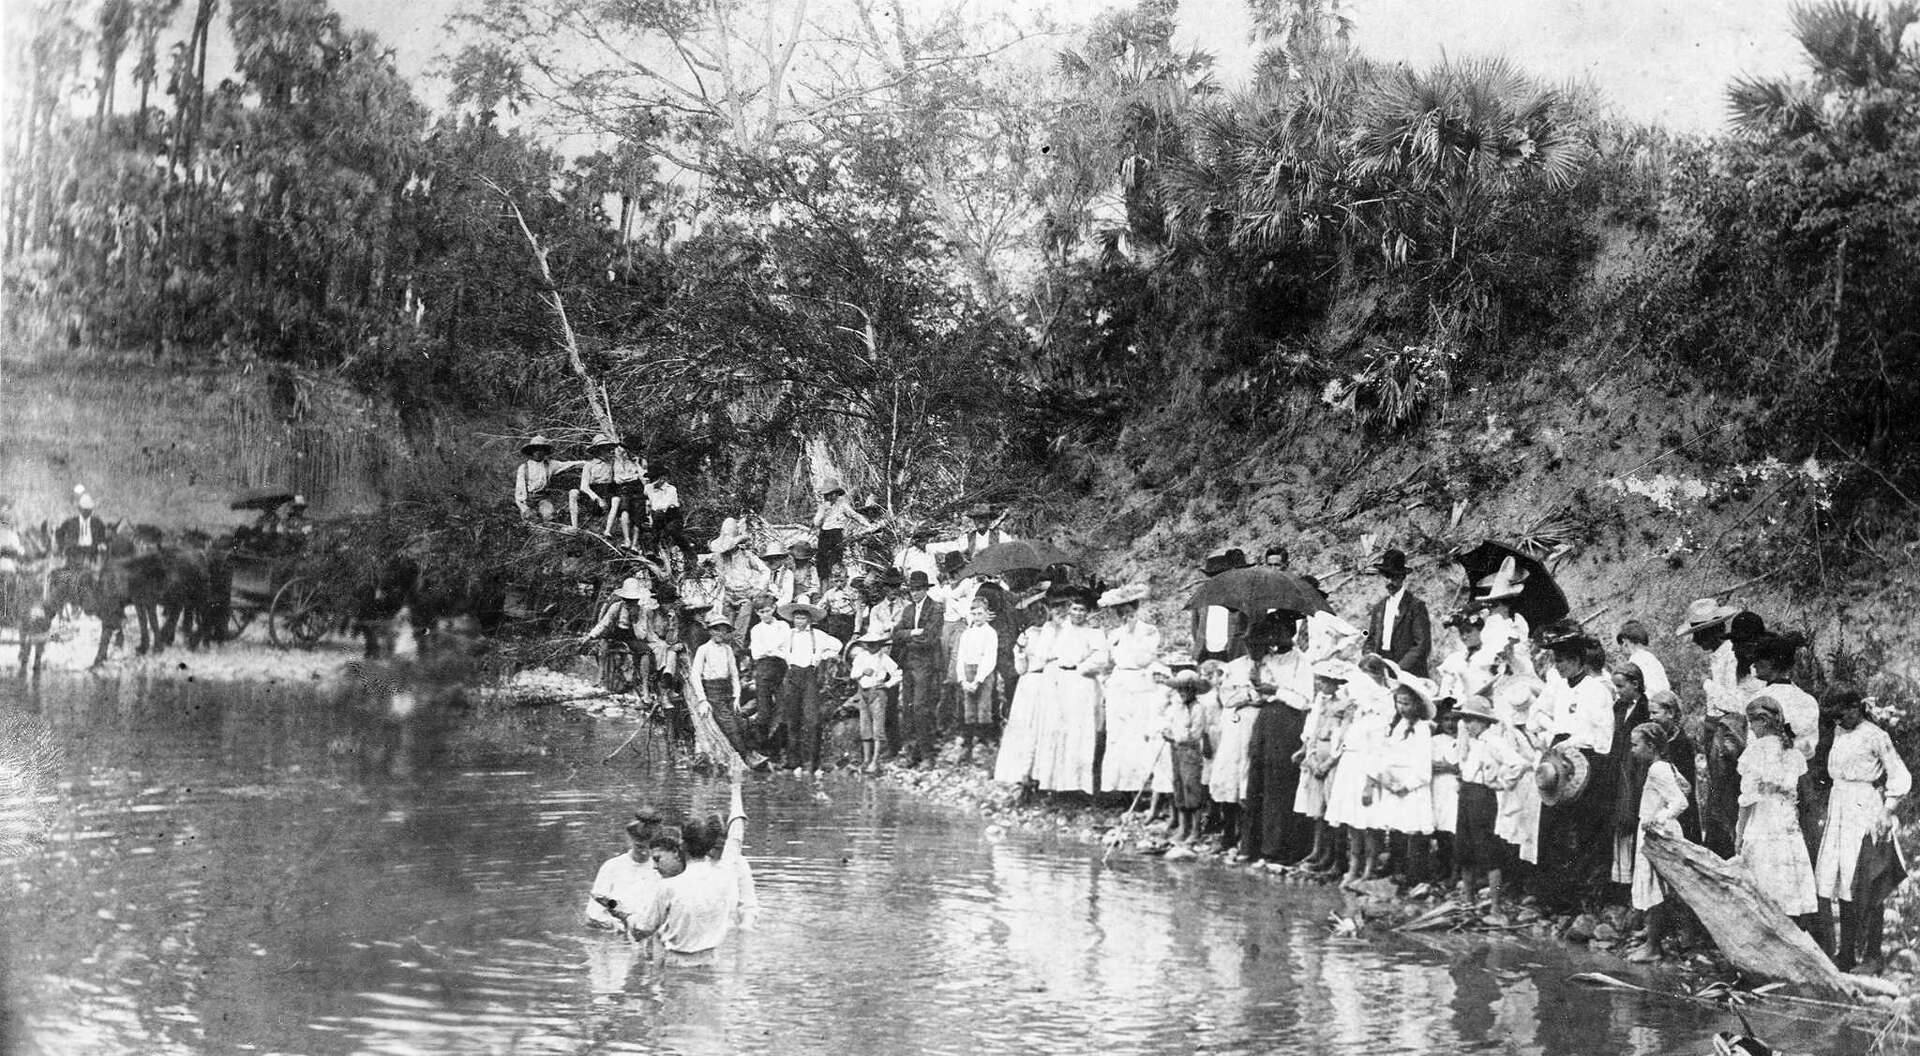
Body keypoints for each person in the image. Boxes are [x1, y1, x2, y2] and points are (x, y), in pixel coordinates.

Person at [1816, 689, 1911, 972]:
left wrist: (1887, 810)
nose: (1840, 720)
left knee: (1868, 880)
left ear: (1856, 707)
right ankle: (1846, 954)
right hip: (1839, 808)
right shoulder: (1838, 732)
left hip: (1864, 809)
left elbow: (1899, 775)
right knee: (1843, 880)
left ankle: (1872, 956)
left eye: (1844, 713)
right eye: (1835, 716)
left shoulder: (1876, 736)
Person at [1532, 632, 1618, 906]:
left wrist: (1572, 741)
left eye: (1563, 661)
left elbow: (1603, 736)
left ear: (1579, 661)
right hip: (1557, 758)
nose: (1558, 666)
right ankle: (1552, 896)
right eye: (1556, 660)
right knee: (1551, 827)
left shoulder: (1596, 690)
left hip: (1586, 761)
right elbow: (1536, 713)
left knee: (1581, 829)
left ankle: (1582, 898)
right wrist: (1553, 733)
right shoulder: (1557, 687)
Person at [1233, 609, 1315, 867]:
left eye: (1279, 632)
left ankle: (1276, 848)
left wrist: (1277, 690)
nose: (1274, 637)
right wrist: (1258, 684)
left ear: (1290, 632)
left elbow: (1304, 700)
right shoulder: (1267, 659)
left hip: (1288, 723)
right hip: (1266, 720)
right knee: (1257, 779)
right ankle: (1251, 846)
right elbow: (1260, 694)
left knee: (1279, 785)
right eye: (1272, 632)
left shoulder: (1302, 662)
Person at [1737, 696, 1818, 921]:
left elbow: (1747, 799)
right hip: (1787, 823)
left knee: (1764, 876)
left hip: (1763, 822)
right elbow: (1802, 793)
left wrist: (1739, 832)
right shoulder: (1793, 753)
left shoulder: (1755, 751)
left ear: (1763, 721)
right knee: (1786, 875)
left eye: (1752, 723)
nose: (1751, 729)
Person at [1624, 722, 1693, 963]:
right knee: (1655, 887)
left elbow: (1681, 802)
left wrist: (1658, 818)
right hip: (1656, 830)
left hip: (1656, 832)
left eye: (1636, 745)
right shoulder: (1665, 766)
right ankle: (1653, 937)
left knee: (1654, 889)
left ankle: (1653, 946)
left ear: (1651, 746)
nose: (1632, 750)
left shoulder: (1657, 769)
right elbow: (1686, 787)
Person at [1030, 590, 1105, 795]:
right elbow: (1044, 654)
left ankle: (1077, 785)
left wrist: (1082, 667)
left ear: (1087, 612)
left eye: (1082, 610)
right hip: (1059, 682)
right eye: (1075, 609)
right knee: (1057, 730)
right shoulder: (1059, 629)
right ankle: (1054, 784)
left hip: (1082, 683)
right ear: (1069, 610)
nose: (1078, 613)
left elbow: (1101, 658)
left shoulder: (1094, 633)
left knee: (1079, 733)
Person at [1453, 699, 1519, 922]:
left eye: (1472, 720)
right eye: (1465, 720)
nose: (1467, 725)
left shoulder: (1494, 742)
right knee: (1464, 847)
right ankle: (1468, 899)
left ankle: (1495, 908)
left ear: (1483, 722)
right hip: (1467, 792)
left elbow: (1517, 763)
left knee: (1488, 850)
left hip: (1482, 796)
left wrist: (1500, 782)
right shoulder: (1470, 742)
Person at [1098, 584, 1163, 805]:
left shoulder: (1149, 631)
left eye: (1129, 612)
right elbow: (1108, 661)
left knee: (1140, 735)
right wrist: (1106, 681)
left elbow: (1143, 659)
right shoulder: (1114, 634)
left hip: (1141, 685)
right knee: (1118, 737)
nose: (1125, 617)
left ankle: (1141, 789)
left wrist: (1132, 633)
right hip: (1120, 687)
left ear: (1135, 610)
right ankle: (1120, 789)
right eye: (1121, 613)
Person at [992, 593, 1063, 789]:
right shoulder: (1026, 635)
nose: (1039, 613)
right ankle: (1022, 773)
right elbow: (1020, 669)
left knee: (1046, 727)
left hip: (1050, 681)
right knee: (1026, 727)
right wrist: (1021, 651)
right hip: (1030, 685)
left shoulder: (1057, 631)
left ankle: (1044, 775)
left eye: (1042, 608)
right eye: (1034, 609)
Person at [1371, 676, 1437, 884]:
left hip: (1411, 785)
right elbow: (1390, 753)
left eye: (1406, 703)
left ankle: (1415, 873)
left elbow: (1423, 765)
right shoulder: (1400, 725)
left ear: (1417, 705)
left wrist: (1407, 785)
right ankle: (1396, 866)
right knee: (1396, 826)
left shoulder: (1422, 729)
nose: (1401, 708)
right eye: (1399, 703)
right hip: (1394, 783)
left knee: (1414, 827)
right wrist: (1387, 777)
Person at [1293, 659, 1357, 873]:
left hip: (1332, 756)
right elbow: (1313, 731)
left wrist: (1330, 762)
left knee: (1332, 807)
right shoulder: (1322, 702)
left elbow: (1344, 736)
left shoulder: (1347, 705)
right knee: (1317, 807)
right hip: (1318, 752)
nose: (1320, 684)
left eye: (1324, 680)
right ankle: (1317, 850)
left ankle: (1334, 855)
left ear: (1335, 682)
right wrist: (1311, 757)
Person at [686, 614, 760, 768]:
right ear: (710, 631)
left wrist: (737, 696)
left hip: (727, 690)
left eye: (723, 631)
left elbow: (734, 674)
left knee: (741, 722)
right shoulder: (703, 649)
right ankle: (745, 756)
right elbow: (695, 675)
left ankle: (753, 751)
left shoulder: (727, 649)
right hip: (712, 691)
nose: (720, 634)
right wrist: (702, 700)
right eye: (716, 630)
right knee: (730, 725)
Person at [777, 600, 842, 775]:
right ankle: (794, 762)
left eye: (802, 618)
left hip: (809, 677)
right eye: (796, 618)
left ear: (809, 619)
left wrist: (821, 656)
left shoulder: (818, 635)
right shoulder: (788, 634)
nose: (799, 621)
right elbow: (775, 648)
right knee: (792, 720)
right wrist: (786, 657)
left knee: (813, 720)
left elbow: (837, 646)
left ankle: (814, 765)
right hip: (792, 676)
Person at [891, 571, 945, 766]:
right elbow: (896, 634)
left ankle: (927, 754)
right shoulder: (908, 610)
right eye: (912, 590)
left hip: (926, 663)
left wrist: (907, 638)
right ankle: (912, 753)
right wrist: (913, 632)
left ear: (925, 589)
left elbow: (929, 638)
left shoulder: (935, 609)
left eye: (918, 589)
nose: (914, 593)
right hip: (908, 664)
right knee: (908, 707)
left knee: (922, 707)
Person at [585, 578, 667, 700]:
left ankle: (645, 687)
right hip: (616, 633)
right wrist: (591, 635)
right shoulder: (616, 607)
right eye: (628, 600)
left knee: (645, 651)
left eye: (633, 600)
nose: (630, 603)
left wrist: (635, 619)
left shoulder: (642, 611)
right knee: (604, 643)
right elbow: (604, 624)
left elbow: (642, 633)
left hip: (631, 635)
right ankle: (601, 675)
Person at [588, 809, 668, 929]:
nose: (644, 852)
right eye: (639, 846)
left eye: (649, 846)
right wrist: (616, 925)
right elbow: (594, 912)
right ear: (630, 840)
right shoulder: (612, 867)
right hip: (618, 929)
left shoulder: (663, 869)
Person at [1161, 669, 1214, 848]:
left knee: (1192, 788)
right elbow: (1171, 725)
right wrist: (1168, 733)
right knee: (1179, 786)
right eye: (1180, 689)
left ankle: (1196, 830)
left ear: (1193, 691)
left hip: (1191, 752)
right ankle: (1183, 828)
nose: (1182, 692)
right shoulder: (1178, 708)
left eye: (1186, 689)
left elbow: (1194, 733)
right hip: (1176, 750)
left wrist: (1175, 736)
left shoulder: (1198, 709)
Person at [1363, 549, 1432, 677]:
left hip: (1408, 671)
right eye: (1386, 577)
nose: (1389, 582)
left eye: (1394, 577)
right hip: (1381, 669)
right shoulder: (1379, 608)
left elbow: (1422, 645)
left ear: (1402, 577)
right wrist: (1370, 659)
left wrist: (1398, 670)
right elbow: (1371, 639)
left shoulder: (1415, 606)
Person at [848, 626, 904, 773]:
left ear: (880, 644)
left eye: (875, 643)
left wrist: (887, 684)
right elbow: (853, 674)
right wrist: (862, 671)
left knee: (878, 727)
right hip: (863, 692)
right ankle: (866, 759)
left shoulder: (884, 658)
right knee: (865, 726)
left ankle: (875, 760)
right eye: (869, 643)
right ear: (865, 644)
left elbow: (898, 674)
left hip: (877, 693)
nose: (872, 646)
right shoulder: (861, 657)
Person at [746, 594, 790, 748]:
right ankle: (762, 746)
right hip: (763, 669)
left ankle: (781, 745)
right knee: (764, 709)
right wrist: (775, 649)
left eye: (767, 611)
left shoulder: (783, 626)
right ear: (756, 613)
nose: (765, 615)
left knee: (783, 706)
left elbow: (786, 648)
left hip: (782, 668)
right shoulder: (756, 630)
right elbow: (757, 653)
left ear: (774, 608)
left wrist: (770, 649)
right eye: (761, 612)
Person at [1191, 547, 1250, 663]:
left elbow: (1246, 626)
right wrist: (1200, 643)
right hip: (1205, 652)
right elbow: (1195, 625)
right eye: (1213, 576)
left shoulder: (1237, 598)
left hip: (1230, 653)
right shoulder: (1201, 597)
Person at [812, 482, 870, 584]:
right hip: (824, 536)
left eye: (832, 494)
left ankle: (837, 584)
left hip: (836, 535)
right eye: (827, 495)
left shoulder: (842, 505)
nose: (829, 497)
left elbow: (855, 515)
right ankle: (824, 586)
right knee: (822, 563)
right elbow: (816, 523)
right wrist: (823, 511)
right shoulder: (823, 507)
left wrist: (868, 525)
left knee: (835, 562)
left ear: (836, 494)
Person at [642, 465, 698, 566]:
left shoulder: (671, 489)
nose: (652, 481)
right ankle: (654, 553)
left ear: (662, 478)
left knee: (673, 531)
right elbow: (649, 502)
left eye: (655, 478)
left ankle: (690, 555)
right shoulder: (650, 488)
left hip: (672, 516)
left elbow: (662, 506)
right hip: (657, 518)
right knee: (649, 527)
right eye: (651, 479)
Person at [928, 503, 1017, 559]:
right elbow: (950, 547)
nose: (980, 521)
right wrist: (928, 547)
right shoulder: (968, 538)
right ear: (974, 521)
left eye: (983, 518)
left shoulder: (1000, 536)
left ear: (989, 520)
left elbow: (1014, 550)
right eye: (977, 518)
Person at [571, 435, 620, 532]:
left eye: (609, 448)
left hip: (607, 492)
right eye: (605, 449)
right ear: (598, 450)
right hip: (592, 494)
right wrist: (597, 499)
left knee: (616, 499)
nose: (609, 451)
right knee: (573, 493)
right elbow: (584, 486)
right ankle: (574, 527)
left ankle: (607, 531)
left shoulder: (612, 463)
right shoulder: (589, 465)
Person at [1615, 621, 1671, 697]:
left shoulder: (1635, 660)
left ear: (1625, 641)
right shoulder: (1649, 656)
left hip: (1652, 699)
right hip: (1665, 697)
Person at [54, 489, 108, 568]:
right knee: (66, 574)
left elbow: (102, 538)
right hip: (74, 553)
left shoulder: (98, 523)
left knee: (96, 573)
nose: (87, 512)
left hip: (92, 554)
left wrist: (101, 545)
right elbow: (59, 533)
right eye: (85, 510)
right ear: (79, 509)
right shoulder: (70, 522)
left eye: (89, 510)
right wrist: (62, 547)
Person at [610, 438, 647, 547]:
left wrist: (637, 465)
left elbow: (645, 479)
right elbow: (616, 478)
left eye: (634, 450)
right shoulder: (617, 461)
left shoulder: (641, 461)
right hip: (624, 488)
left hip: (638, 488)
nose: (631, 453)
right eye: (628, 450)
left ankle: (635, 544)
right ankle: (627, 540)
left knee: (637, 515)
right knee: (624, 510)